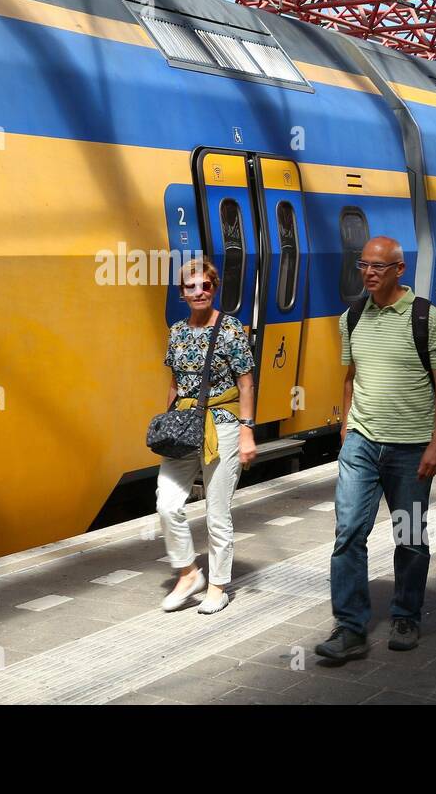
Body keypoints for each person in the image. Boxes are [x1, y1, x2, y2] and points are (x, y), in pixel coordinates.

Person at [315, 236, 436, 662]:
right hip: (361, 442)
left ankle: (406, 614)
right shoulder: (351, 317)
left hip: (411, 448)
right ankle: (351, 628)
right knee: (348, 533)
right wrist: (345, 426)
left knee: (409, 536)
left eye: (378, 266)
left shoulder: (428, 319)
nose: (369, 273)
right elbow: (349, 376)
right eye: (363, 266)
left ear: (399, 270)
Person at [156, 258, 257, 615]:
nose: (199, 292)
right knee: (167, 503)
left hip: (224, 424)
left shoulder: (230, 329)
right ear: (182, 293)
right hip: (184, 426)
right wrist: (165, 425)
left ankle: (218, 586)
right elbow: (174, 383)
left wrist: (247, 432)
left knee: (217, 511)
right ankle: (188, 573)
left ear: (214, 289)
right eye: (191, 286)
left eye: (206, 286)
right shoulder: (177, 331)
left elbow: (246, 384)